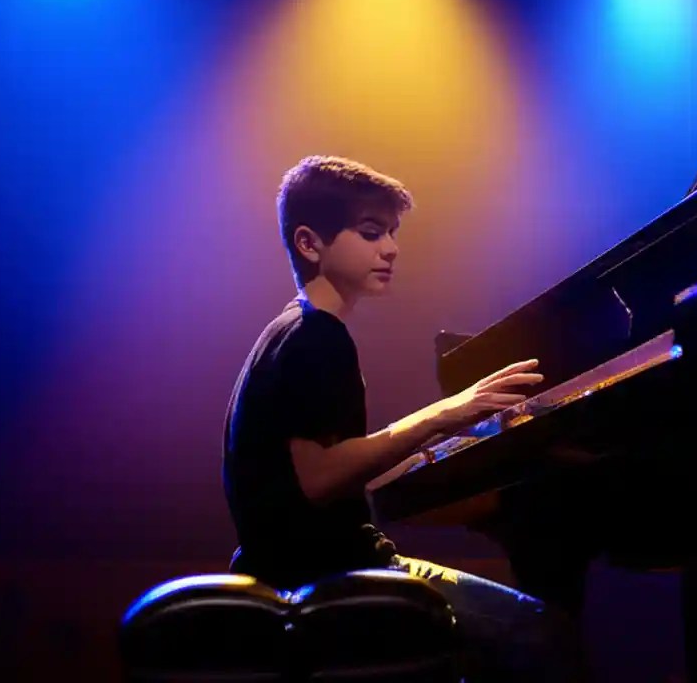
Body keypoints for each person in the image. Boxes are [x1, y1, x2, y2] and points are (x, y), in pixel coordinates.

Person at [222, 155, 582, 681]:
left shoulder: (291, 330)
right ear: (309, 243)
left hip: (307, 566)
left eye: (392, 233)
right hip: (331, 574)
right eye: (371, 233)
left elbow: (340, 470)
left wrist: (459, 438)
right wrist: (445, 413)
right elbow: (318, 479)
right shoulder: (315, 336)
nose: (390, 248)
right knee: (539, 630)